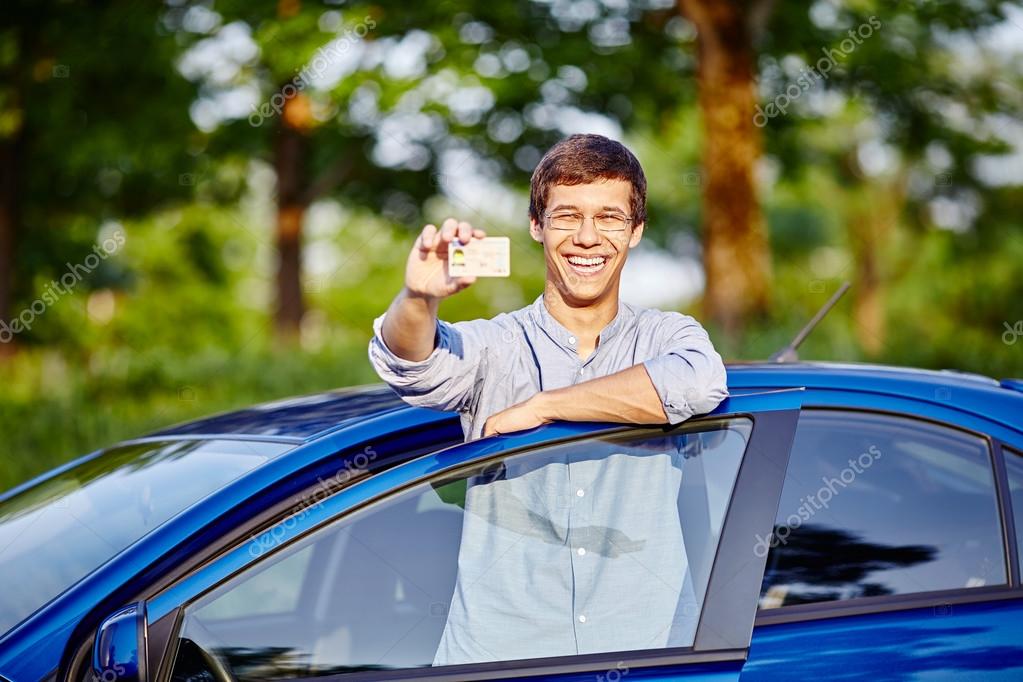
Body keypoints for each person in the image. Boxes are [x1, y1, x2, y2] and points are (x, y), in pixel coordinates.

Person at [368, 133, 728, 665]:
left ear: (636, 232)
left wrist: (545, 406)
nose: (587, 237)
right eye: (566, 216)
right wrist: (419, 297)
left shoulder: (667, 337)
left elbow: (696, 384)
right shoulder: (494, 346)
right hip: (500, 663)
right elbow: (409, 362)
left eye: (609, 218)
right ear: (537, 226)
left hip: (649, 657)